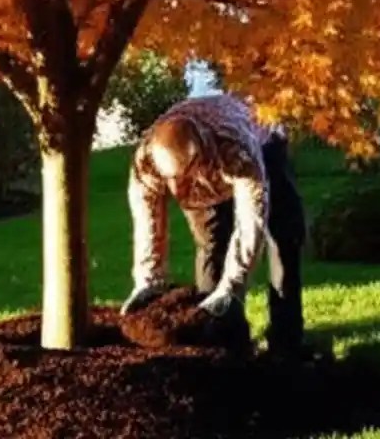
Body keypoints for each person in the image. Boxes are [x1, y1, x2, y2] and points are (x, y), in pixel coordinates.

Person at [119, 93, 307, 358]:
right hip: (207, 170)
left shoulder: (236, 148)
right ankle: (219, 347)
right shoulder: (146, 162)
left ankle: (286, 346)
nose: (180, 187)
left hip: (264, 145)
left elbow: (250, 220)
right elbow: (147, 220)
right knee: (210, 246)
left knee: (283, 241)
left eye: (186, 176)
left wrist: (233, 285)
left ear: (202, 154)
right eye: (173, 180)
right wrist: (148, 280)